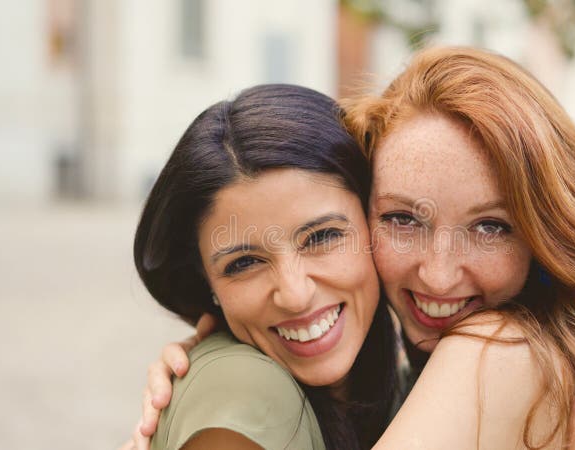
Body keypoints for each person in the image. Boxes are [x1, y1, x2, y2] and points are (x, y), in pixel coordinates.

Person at [130, 47, 575, 449]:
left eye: (491, 227)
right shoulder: (363, 378)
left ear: (546, 233)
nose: (438, 277)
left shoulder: (499, 351)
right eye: (402, 219)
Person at [131, 84, 398, 450]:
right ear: (206, 281)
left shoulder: (403, 380)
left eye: (321, 237)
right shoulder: (245, 393)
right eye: (244, 262)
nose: (295, 295)